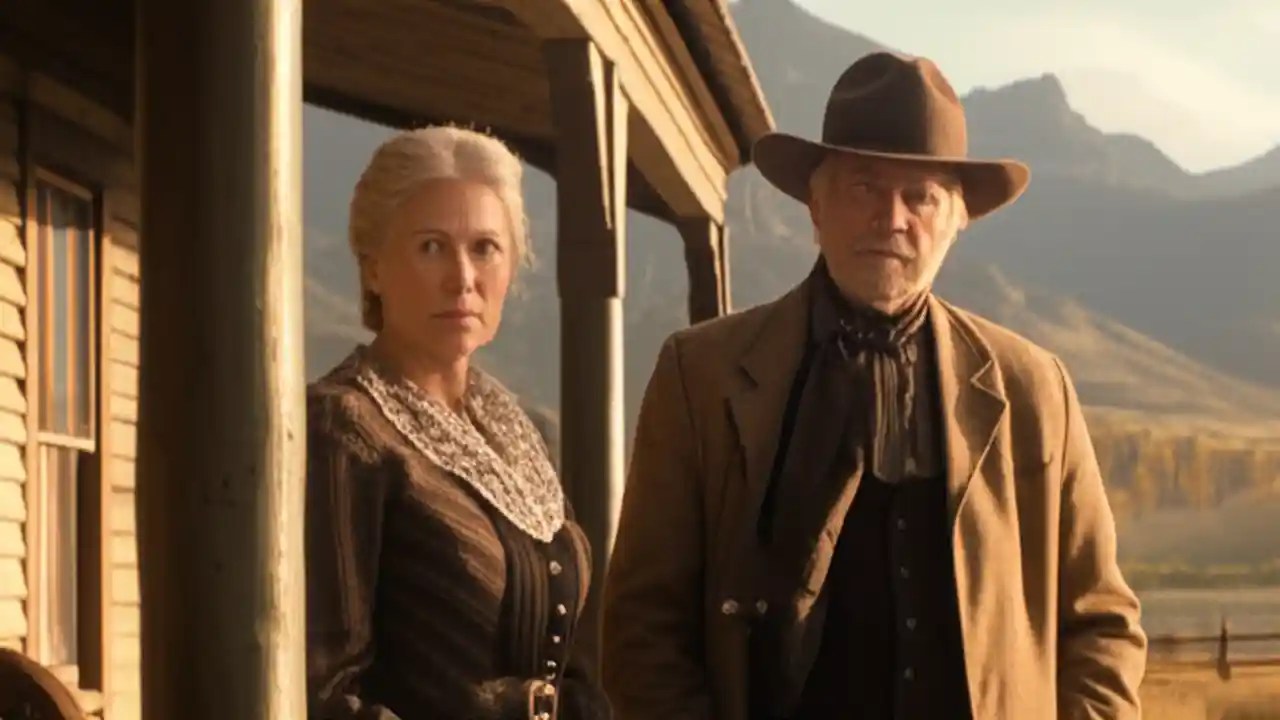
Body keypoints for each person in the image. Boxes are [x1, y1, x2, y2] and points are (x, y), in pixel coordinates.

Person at [602, 52, 1147, 720]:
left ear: (957, 218)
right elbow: (641, 628)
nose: (892, 218)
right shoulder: (702, 375)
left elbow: (1100, 623)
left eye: (921, 196)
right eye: (864, 187)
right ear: (816, 203)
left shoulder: (1033, 390)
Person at [306, 126, 611, 720]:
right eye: (430, 246)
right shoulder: (343, 429)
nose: (462, 278)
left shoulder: (522, 434)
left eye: (485, 248)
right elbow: (325, 694)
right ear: (373, 269)